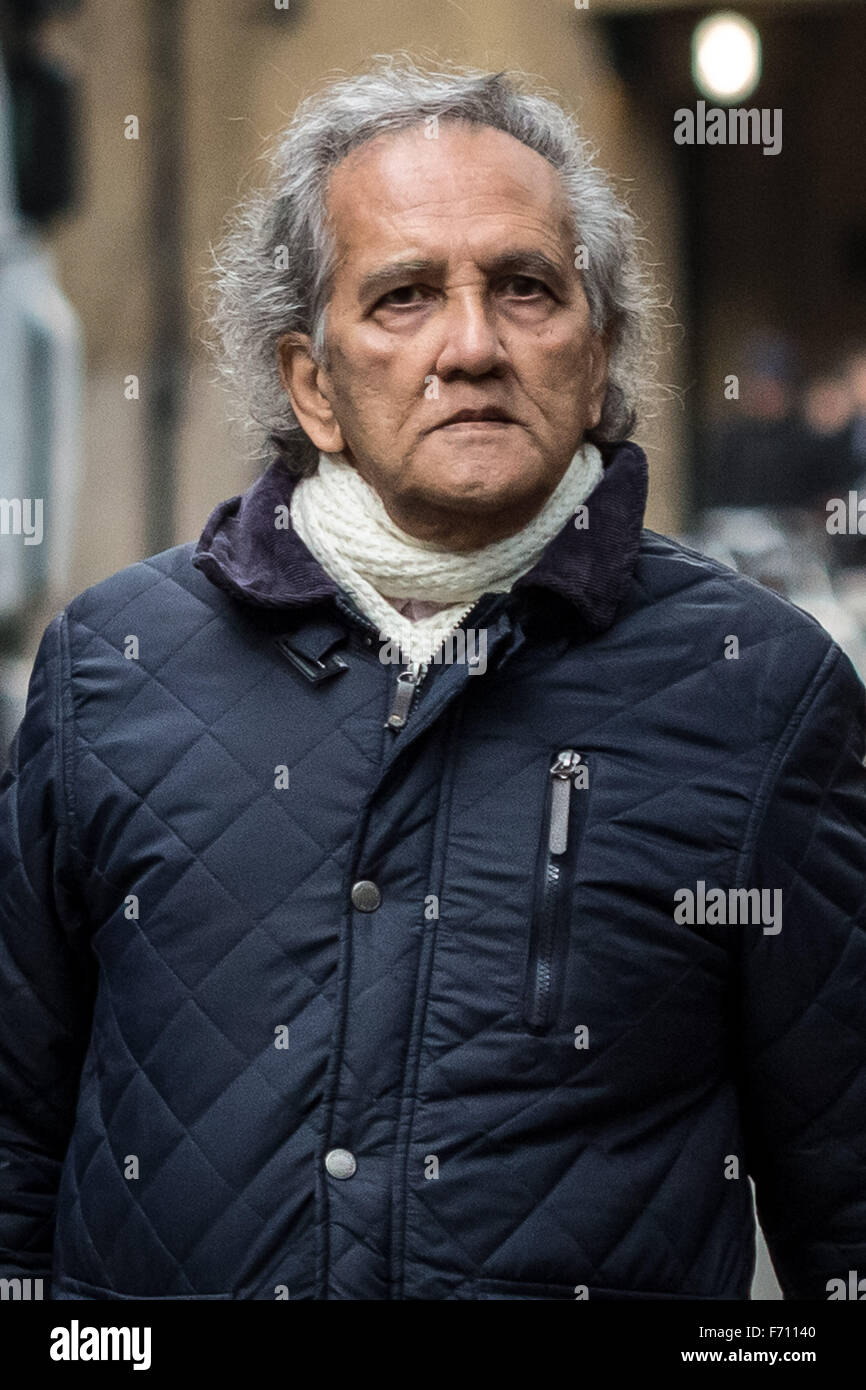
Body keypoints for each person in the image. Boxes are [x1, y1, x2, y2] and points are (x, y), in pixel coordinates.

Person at [1, 58, 865, 1303]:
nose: (471, 346)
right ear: (312, 384)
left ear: (596, 347)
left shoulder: (758, 691)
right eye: (403, 296)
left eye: (523, 288)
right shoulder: (112, 669)